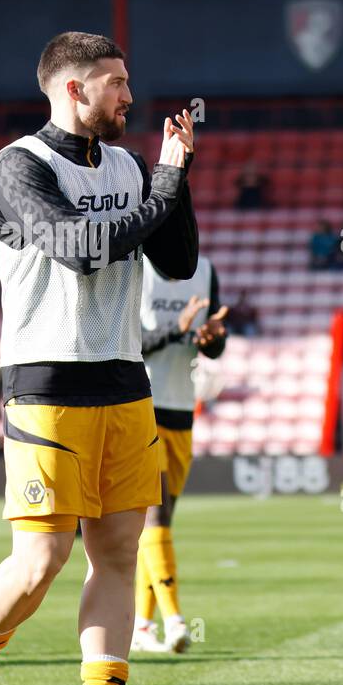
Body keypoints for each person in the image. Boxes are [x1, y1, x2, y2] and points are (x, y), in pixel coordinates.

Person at [0, 31, 197, 685]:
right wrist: (164, 186)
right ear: (73, 89)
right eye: (116, 82)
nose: (129, 95)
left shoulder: (129, 164)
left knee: (118, 554)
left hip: (124, 380)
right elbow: (79, 250)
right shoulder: (18, 165)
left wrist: (175, 177)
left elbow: (179, 261)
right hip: (45, 382)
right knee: (40, 561)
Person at [132, 254, 228, 655]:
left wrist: (212, 338)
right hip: (141, 407)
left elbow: (214, 346)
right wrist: (178, 328)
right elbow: (126, 341)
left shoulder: (204, 270)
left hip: (182, 410)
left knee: (160, 524)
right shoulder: (134, 264)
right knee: (155, 516)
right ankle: (174, 621)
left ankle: (141, 625)